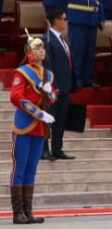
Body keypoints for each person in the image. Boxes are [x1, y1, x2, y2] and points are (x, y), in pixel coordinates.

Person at [10, 35, 55, 224]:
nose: (41, 51)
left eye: (42, 48)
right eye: (36, 48)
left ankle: (28, 211)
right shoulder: (22, 72)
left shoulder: (48, 74)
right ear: (29, 53)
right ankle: (17, 212)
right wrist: (38, 113)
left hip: (39, 128)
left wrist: (50, 94)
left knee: (31, 168)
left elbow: (49, 99)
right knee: (20, 167)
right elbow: (16, 97)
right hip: (24, 124)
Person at [43, 10, 74, 161]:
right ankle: (44, 149)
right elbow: (48, 65)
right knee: (49, 119)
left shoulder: (62, 39)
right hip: (54, 87)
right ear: (56, 21)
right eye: (64, 19)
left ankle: (57, 148)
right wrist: (52, 85)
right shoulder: (47, 39)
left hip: (65, 86)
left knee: (61, 120)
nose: (66, 22)